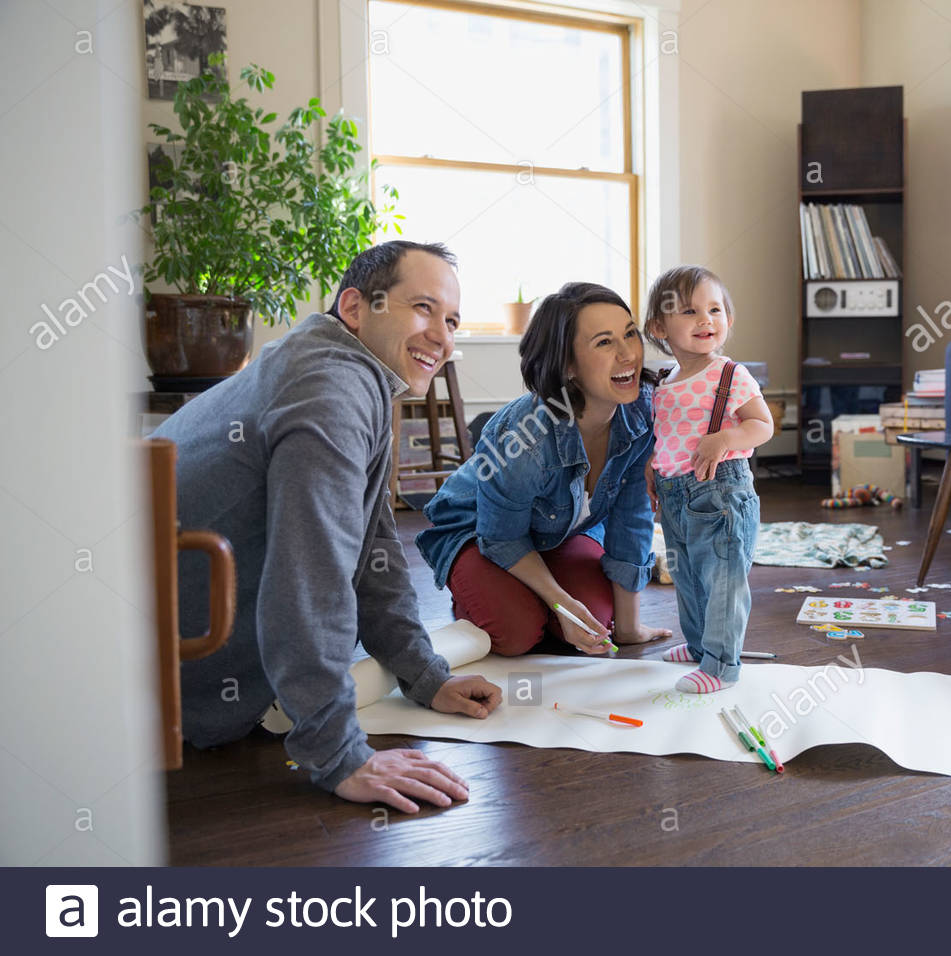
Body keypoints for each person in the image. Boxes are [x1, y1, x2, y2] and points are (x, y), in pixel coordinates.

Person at [153, 240, 501, 814]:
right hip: (156, 686)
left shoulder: (341, 368)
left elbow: (373, 548)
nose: (443, 336)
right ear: (355, 308)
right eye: (422, 308)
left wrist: (424, 674)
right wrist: (341, 755)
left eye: (453, 319)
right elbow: (310, 577)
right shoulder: (330, 389)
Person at [417, 282, 672, 656]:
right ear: (568, 366)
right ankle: (480, 594)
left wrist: (629, 628)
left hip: (559, 533)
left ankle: (531, 596)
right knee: (514, 633)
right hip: (480, 530)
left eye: (630, 334)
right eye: (604, 342)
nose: (628, 354)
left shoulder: (643, 410)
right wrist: (559, 603)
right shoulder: (523, 440)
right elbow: (501, 536)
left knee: (599, 625)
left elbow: (631, 516)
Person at [642, 266, 774, 693]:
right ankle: (700, 645)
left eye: (715, 309)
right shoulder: (665, 380)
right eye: (689, 311)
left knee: (722, 580)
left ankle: (720, 666)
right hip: (675, 495)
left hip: (721, 495)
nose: (706, 320)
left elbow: (762, 425)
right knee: (688, 574)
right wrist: (652, 467)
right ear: (659, 327)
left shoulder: (731, 376)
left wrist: (726, 438)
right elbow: (666, 433)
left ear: (728, 320)